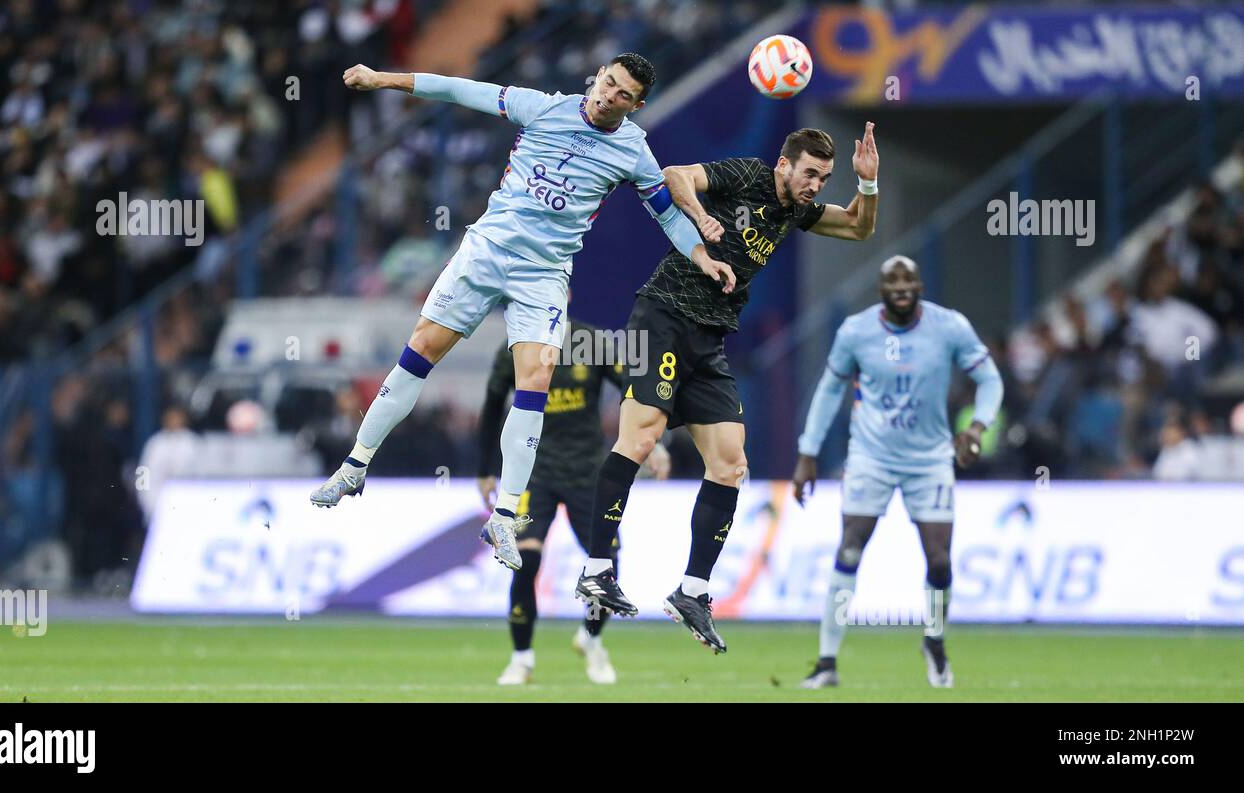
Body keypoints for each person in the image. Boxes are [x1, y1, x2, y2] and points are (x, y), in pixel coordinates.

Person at [311, 54, 731, 573]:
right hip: (487, 251)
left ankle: (506, 516)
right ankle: (355, 464)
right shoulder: (543, 108)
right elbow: (457, 89)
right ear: (596, 75)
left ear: (636, 105)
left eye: (623, 95)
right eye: (607, 83)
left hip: (544, 273)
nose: (608, 97)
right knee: (422, 349)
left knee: (537, 376)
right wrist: (382, 79)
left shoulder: (633, 151)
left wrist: (701, 256)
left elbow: (667, 214)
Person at [575, 124, 880, 653]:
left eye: (825, 177)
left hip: (709, 338)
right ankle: (597, 569)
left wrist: (868, 185)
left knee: (730, 462)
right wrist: (702, 217)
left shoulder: (796, 212)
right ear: (784, 165)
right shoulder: (746, 176)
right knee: (641, 437)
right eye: (810, 173)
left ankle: (692, 591)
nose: (816, 185)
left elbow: (857, 228)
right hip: (664, 315)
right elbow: (675, 177)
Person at [791, 255, 1004, 689]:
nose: (902, 286)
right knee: (850, 547)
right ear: (881, 289)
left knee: (940, 559)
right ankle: (827, 661)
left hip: (930, 459)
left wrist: (977, 427)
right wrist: (807, 452)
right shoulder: (855, 331)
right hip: (871, 456)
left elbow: (991, 381)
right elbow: (829, 391)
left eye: (909, 279)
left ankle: (934, 639)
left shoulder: (950, 327)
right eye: (893, 280)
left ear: (920, 285)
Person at [477, 318, 669, 684]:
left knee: (606, 565)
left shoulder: (588, 340)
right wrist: (484, 469)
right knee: (526, 559)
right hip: (535, 473)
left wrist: (652, 440)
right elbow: (491, 406)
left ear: (565, 294)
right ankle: (521, 659)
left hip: (589, 473)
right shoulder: (517, 345)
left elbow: (632, 388)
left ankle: (591, 639)